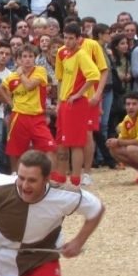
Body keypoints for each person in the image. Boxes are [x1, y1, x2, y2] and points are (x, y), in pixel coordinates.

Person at [53, 24, 101, 186]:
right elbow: (60, 79)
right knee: (62, 141)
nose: (67, 41)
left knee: (76, 142)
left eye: (71, 38)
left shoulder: (81, 55)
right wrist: (59, 102)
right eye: (65, 37)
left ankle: (75, 178)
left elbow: (94, 75)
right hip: (65, 102)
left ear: (78, 39)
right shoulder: (61, 53)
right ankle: (60, 175)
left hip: (77, 103)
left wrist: (79, 94)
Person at [4, 44, 56, 171]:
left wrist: (21, 74)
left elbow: (29, 86)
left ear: (34, 58)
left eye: (31, 56)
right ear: (19, 59)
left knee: (49, 147)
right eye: (24, 57)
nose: (27, 59)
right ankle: (15, 177)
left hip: (37, 117)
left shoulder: (40, 71)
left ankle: (50, 178)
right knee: (16, 151)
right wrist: (11, 104)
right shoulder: (12, 77)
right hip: (19, 116)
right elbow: (1, 89)